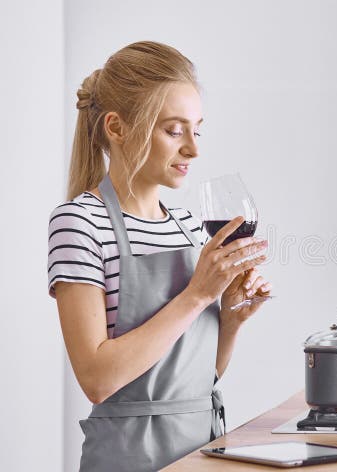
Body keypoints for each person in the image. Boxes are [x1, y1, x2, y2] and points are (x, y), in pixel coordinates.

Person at [48, 41, 270, 471]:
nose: (193, 150)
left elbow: (197, 381)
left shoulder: (188, 225)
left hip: (203, 454)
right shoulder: (79, 222)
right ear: (117, 127)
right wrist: (197, 296)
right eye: (173, 130)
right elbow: (97, 379)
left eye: (196, 130)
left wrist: (230, 319)